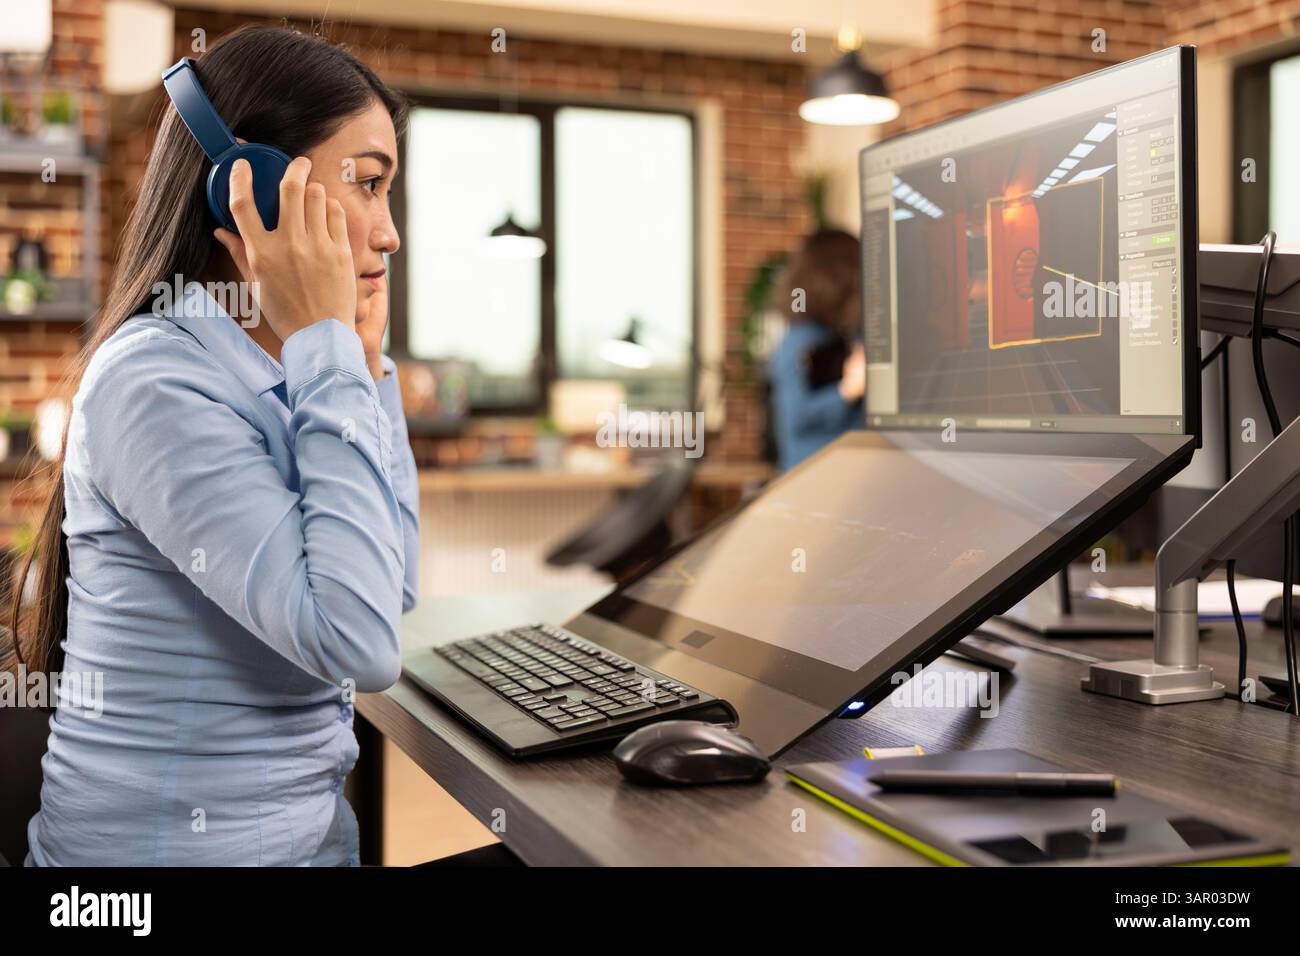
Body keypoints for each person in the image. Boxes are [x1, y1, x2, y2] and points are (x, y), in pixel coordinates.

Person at [5, 24, 418, 866]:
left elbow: (392, 587)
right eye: (368, 186)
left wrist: (364, 366)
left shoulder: (294, 369)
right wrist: (333, 350)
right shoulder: (152, 383)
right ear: (257, 192)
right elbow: (361, 642)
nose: (389, 234)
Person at [767, 228, 866, 471]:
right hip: (812, 478)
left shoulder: (842, 333)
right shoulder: (800, 339)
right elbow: (796, 416)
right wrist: (846, 391)